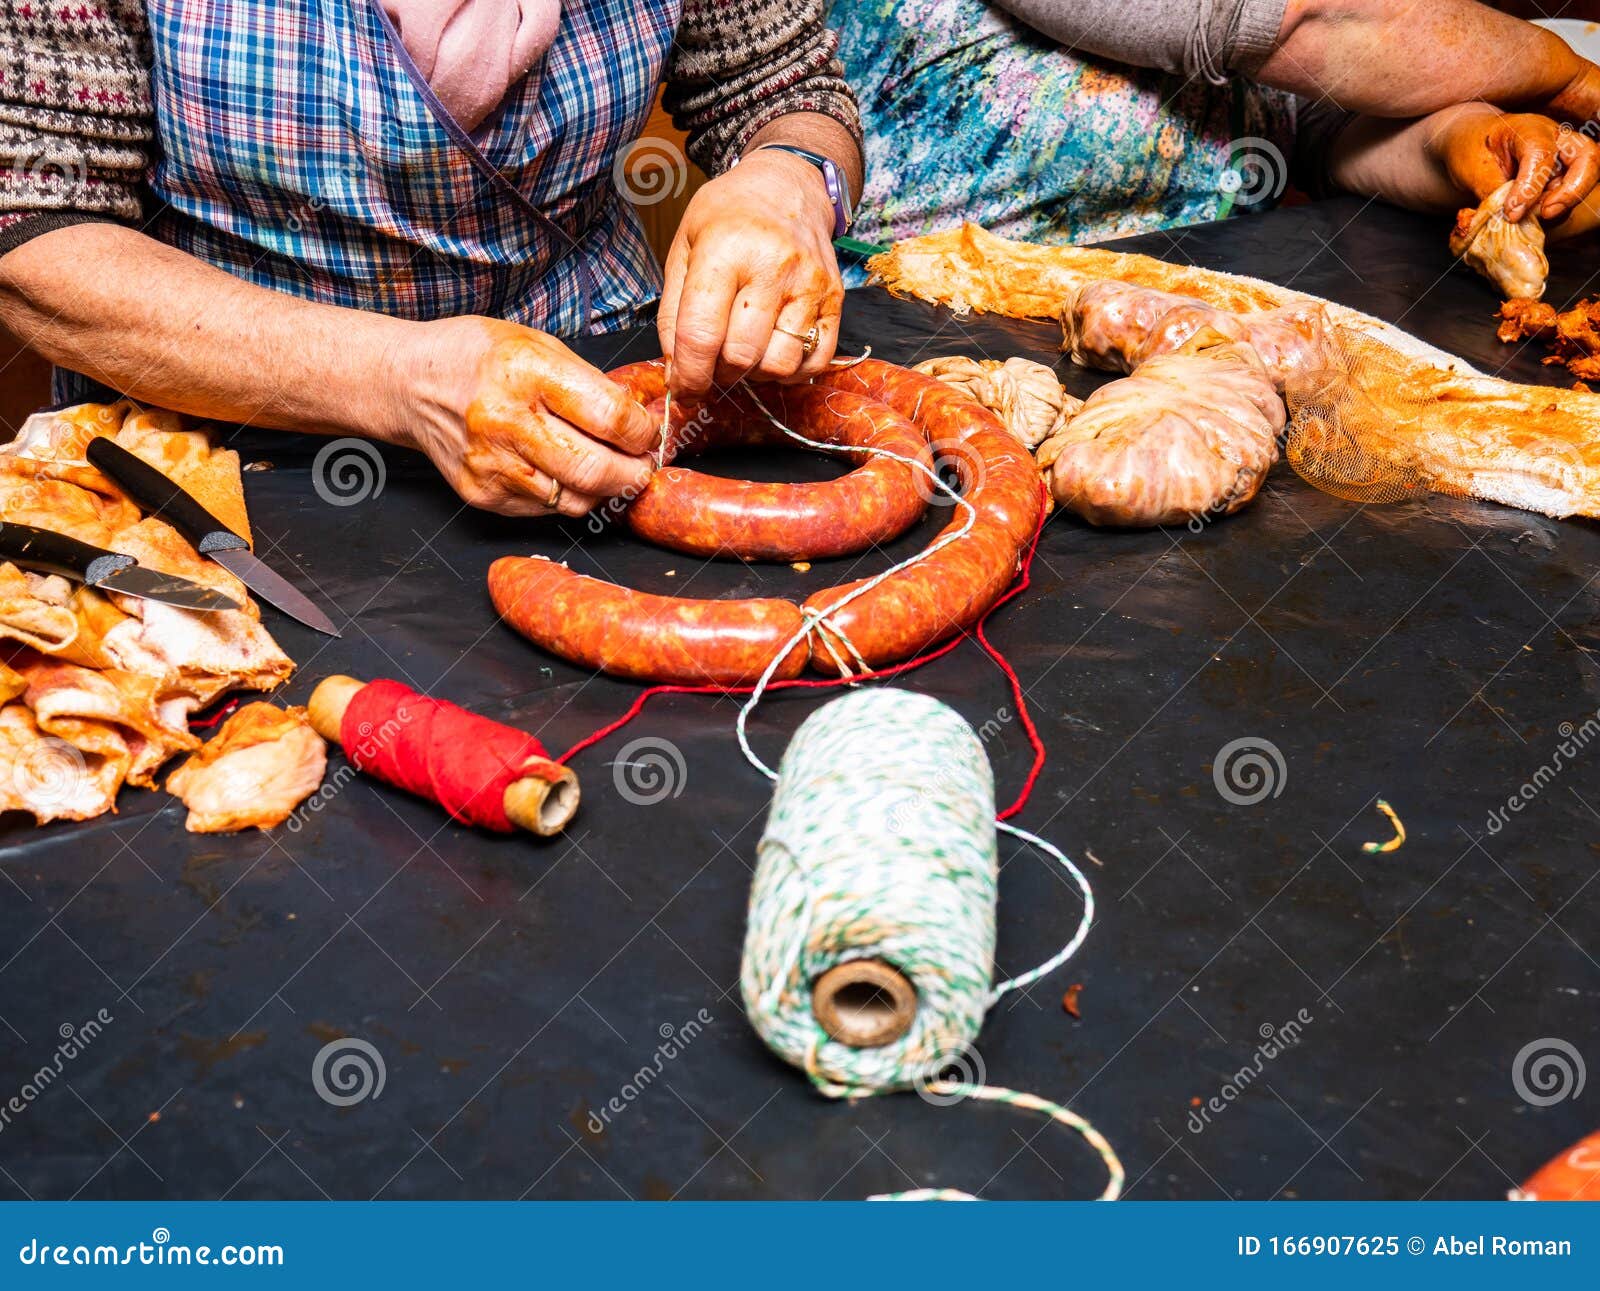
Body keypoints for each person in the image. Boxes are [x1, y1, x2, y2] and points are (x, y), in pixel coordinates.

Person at [0, 2, 863, 517]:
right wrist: (401, 379)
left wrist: (787, 180)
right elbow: (36, 234)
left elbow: (783, 86)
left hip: (601, 408)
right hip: (224, 457)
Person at [826, 0, 1600, 264]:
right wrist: (1572, 78)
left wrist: (1467, 144)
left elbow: (1326, 131)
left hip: (1183, 356)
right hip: (930, 342)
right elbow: (1284, 25)